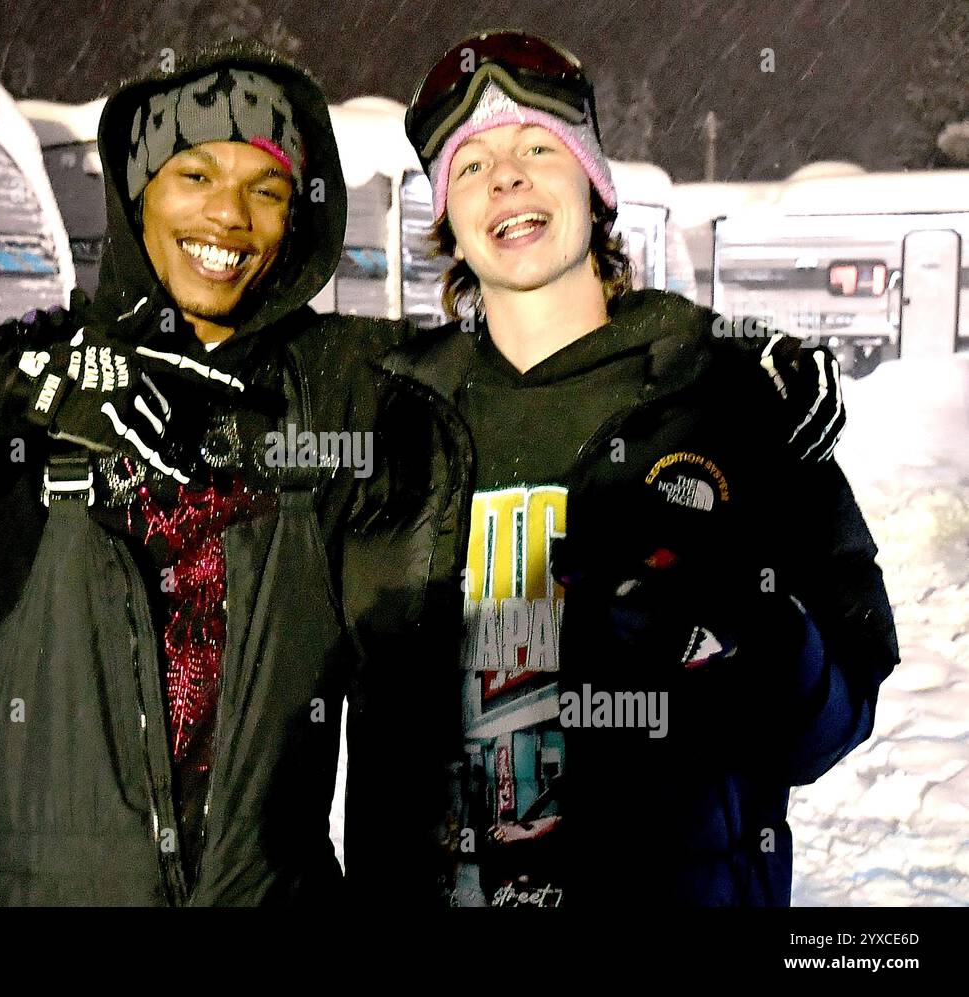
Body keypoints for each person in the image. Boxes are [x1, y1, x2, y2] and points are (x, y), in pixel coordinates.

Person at [0, 41, 467, 906]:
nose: (229, 216)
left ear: (294, 219)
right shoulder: (37, 374)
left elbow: (504, 372)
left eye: (264, 189)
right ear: (137, 193)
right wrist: (8, 392)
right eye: (195, 175)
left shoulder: (334, 390)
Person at [381, 30, 900, 906]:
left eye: (539, 147)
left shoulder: (730, 397)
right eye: (471, 166)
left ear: (595, 186)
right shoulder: (389, 414)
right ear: (449, 226)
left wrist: (755, 625)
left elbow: (835, 718)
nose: (506, 176)